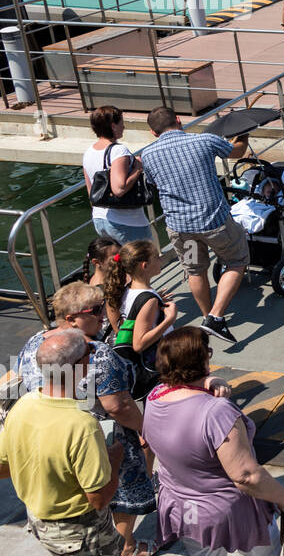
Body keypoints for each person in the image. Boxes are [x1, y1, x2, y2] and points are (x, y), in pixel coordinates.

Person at [8, 283, 157, 556]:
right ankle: (125, 545)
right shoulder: (95, 352)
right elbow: (118, 405)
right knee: (120, 491)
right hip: (96, 436)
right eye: (95, 310)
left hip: (48, 434)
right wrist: (144, 429)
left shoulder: (34, 343)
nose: (103, 315)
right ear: (70, 318)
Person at [143, 327, 284, 556]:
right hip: (227, 512)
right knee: (266, 552)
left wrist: (209, 380)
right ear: (203, 359)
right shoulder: (216, 411)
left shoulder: (155, 397)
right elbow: (246, 476)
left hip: (184, 510)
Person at [0, 329, 125, 556]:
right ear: (80, 364)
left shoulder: (22, 407)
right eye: (89, 354)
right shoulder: (83, 425)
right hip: (81, 534)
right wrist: (114, 460)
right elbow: (99, 499)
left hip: (41, 525)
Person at [140, 107, 248, 342]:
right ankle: (216, 317)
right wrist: (243, 133)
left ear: (153, 132)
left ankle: (206, 316)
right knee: (236, 261)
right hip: (214, 222)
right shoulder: (204, 141)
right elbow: (238, 151)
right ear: (178, 120)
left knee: (195, 270)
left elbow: (153, 182)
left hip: (180, 228)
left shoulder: (147, 155)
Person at [83, 105, 155, 245]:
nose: (124, 126)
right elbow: (119, 189)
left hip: (100, 218)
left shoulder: (89, 152)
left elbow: (91, 191)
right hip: (127, 222)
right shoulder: (118, 151)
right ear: (113, 126)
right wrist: (137, 168)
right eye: (122, 122)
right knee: (144, 263)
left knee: (120, 264)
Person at [105, 238, 178, 366]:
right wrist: (170, 319)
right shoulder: (148, 300)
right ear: (145, 265)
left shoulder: (124, 290)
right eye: (156, 257)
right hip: (160, 360)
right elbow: (139, 344)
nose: (160, 259)